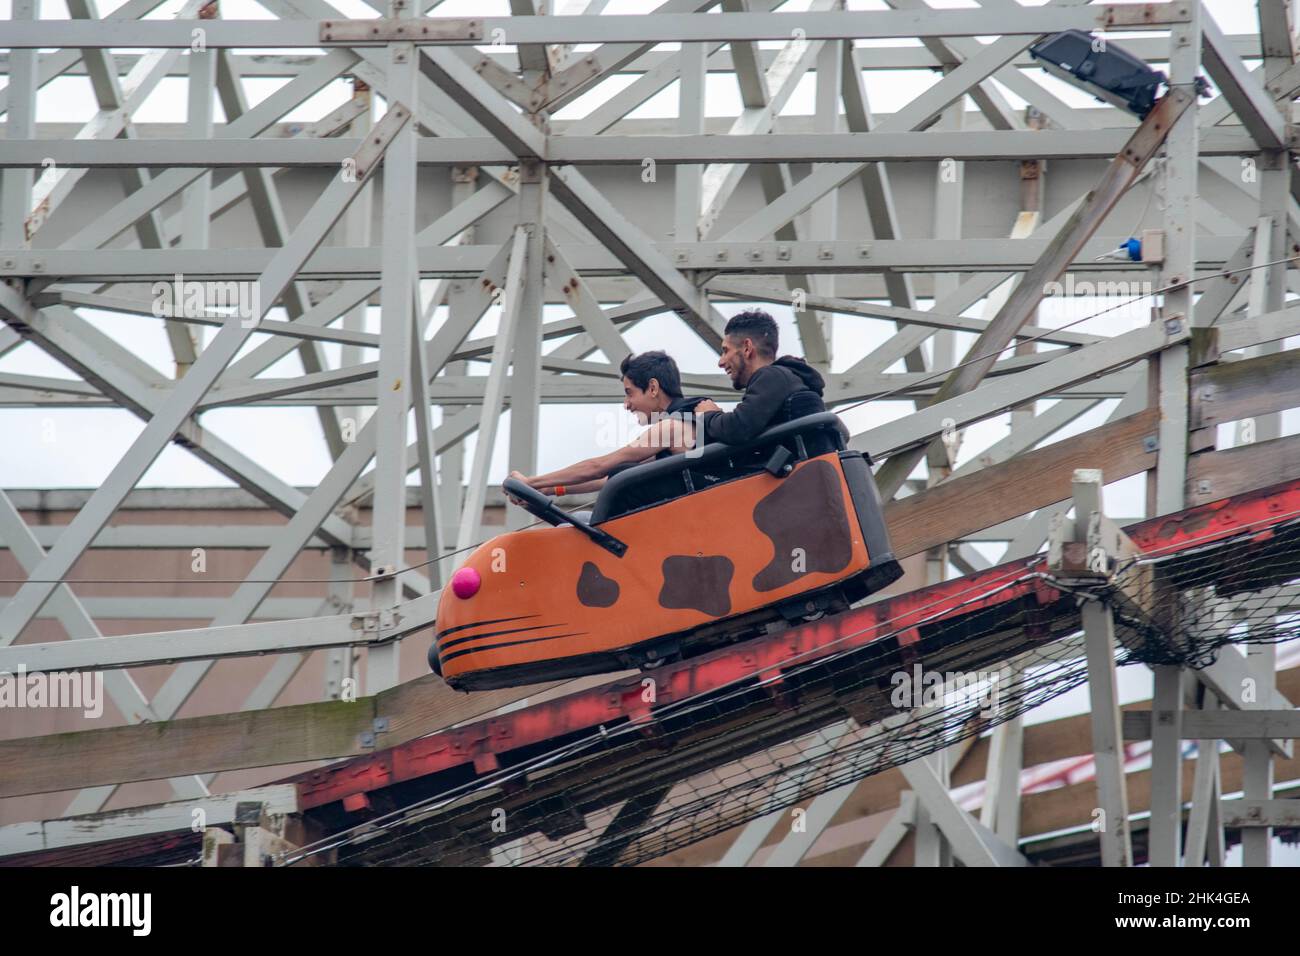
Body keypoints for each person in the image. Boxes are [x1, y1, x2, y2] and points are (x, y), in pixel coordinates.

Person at [508, 350, 702, 500]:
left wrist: (530, 482)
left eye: (629, 393)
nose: (626, 404)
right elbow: (605, 479)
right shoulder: (685, 425)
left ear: (652, 388)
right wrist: (547, 489)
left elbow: (598, 467)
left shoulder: (671, 428)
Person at [694, 309, 826, 445]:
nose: (721, 362)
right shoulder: (788, 379)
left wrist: (708, 414)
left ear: (747, 348)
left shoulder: (773, 377)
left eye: (726, 351)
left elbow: (737, 428)